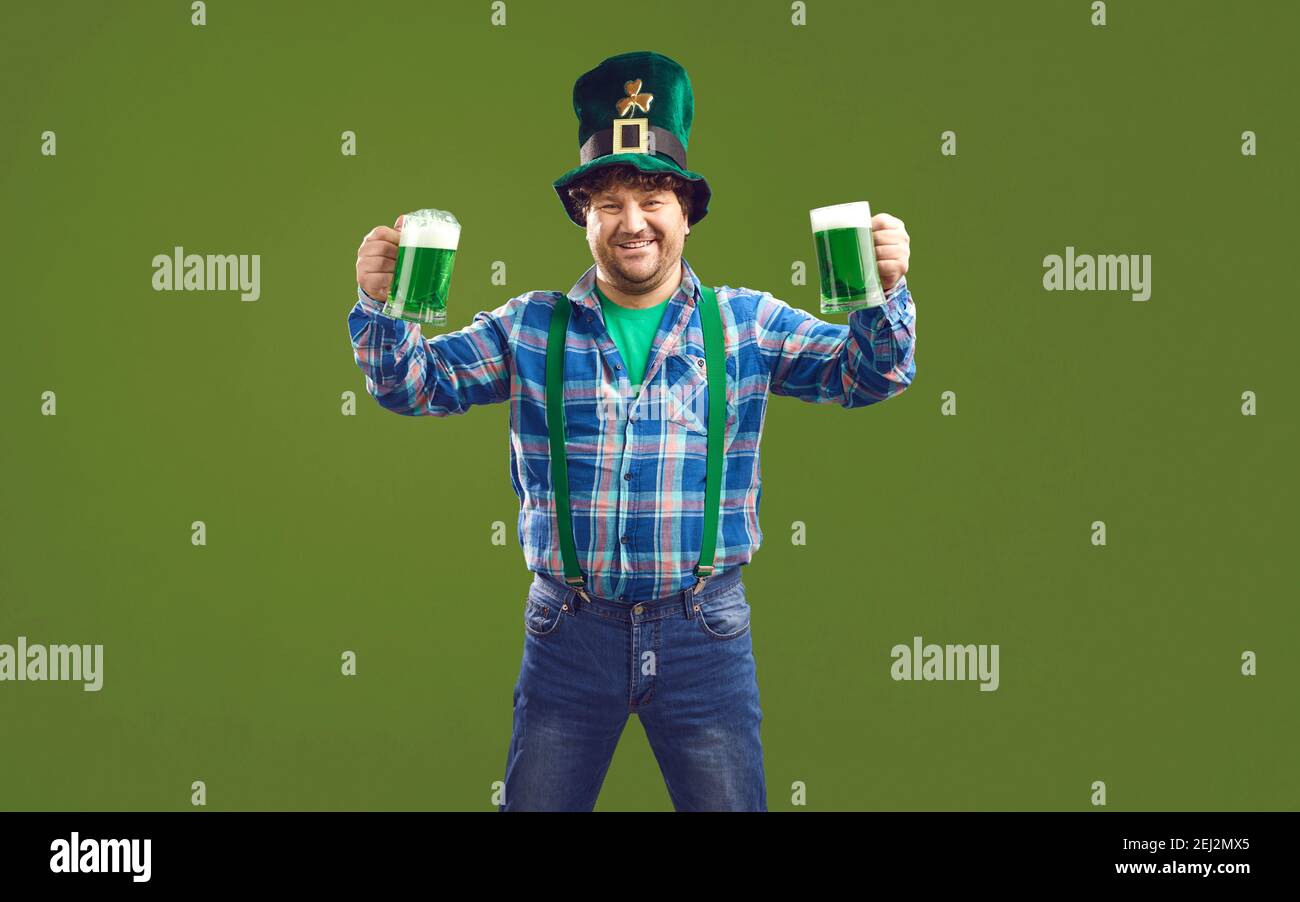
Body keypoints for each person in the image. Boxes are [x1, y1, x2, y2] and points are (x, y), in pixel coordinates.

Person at [347, 50, 917, 811]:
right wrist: (382, 305)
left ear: (687, 210)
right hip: (568, 631)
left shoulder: (744, 323)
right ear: (584, 216)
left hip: (704, 632)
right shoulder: (531, 328)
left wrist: (886, 293)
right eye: (608, 200)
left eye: (652, 196)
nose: (632, 221)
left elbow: (868, 375)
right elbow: (412, 387)